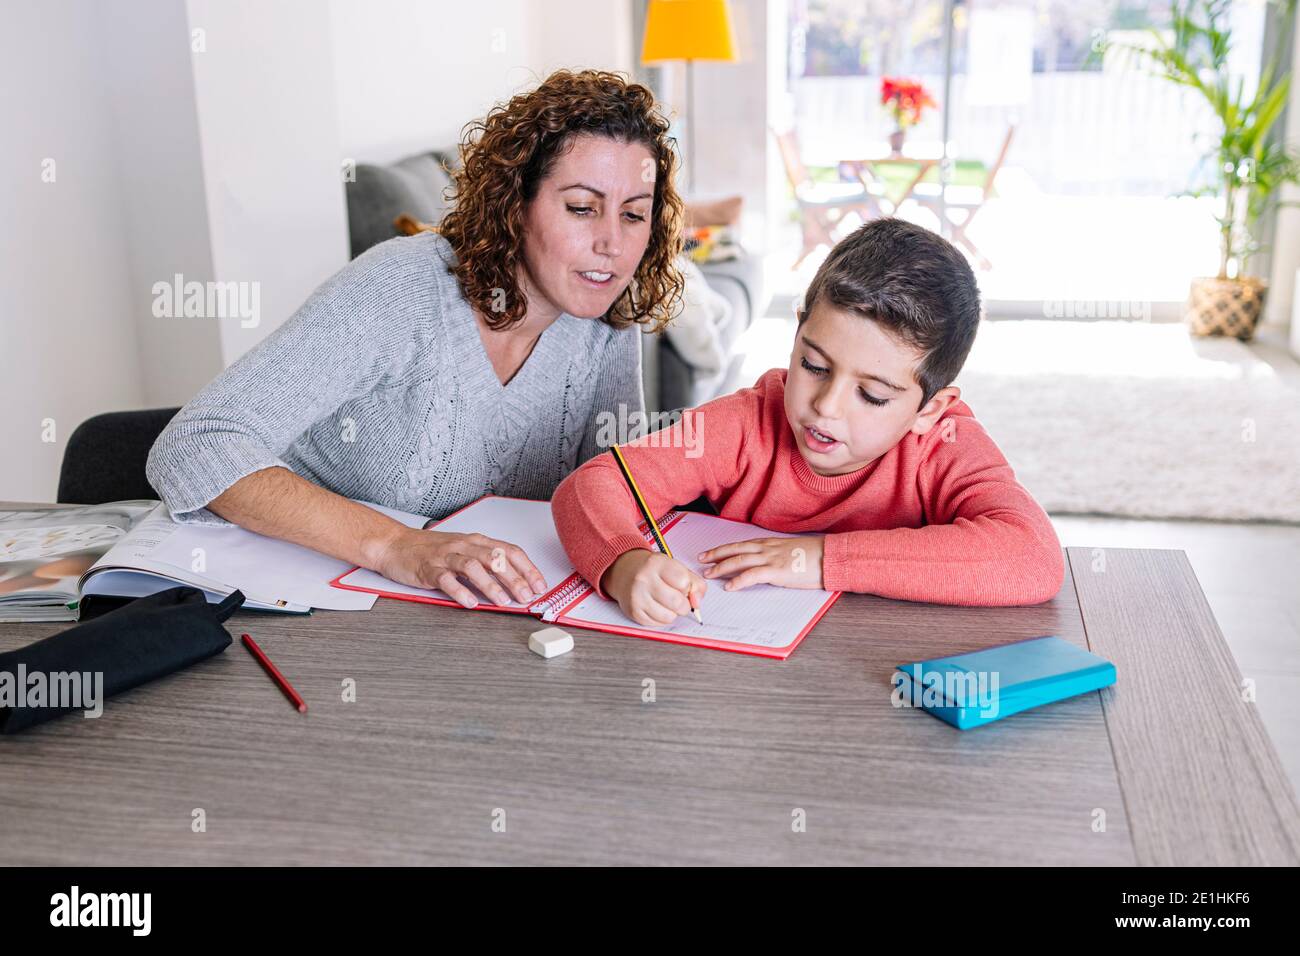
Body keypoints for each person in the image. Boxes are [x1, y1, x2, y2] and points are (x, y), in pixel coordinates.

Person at [146, 70, 684, 610]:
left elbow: (612, 487)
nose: (613, 243)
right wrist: (396, 544)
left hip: (469, 614)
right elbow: (193, 445)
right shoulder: (397, 290)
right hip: (304, 600)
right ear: (515, 204)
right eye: (582, 208)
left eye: (634, 214)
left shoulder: (607, 315)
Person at [551, 218, 1065, 627]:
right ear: (798, 331)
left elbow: (1032, 557)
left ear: (930, 408)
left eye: (872, 394)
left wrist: (816, 559)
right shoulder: (746, 423)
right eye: (814, 366)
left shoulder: (944, 442)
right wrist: (623, 564)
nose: (826, 407)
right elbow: (591, 486)